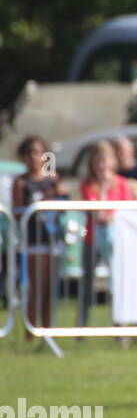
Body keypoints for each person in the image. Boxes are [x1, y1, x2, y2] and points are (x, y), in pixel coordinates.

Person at [11, 135, 67, 338]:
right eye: (30, 153)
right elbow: (17, 213)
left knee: (49, 289)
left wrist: (61, 193)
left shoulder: (52, 181)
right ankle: (31, 331)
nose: (35, 157)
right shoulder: (21, 183)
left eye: (39, 152)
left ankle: (48, 330)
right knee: (35, 288)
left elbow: (63, 208)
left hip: (52, 239)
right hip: (33, 242)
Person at [78, 140, 133, 326]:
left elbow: (128, 211)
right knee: (87, 285)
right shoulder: (87, 185)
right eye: (97, 160)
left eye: (105, 160)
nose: (102, 165)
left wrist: (112, 215)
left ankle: (119, 327)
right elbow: (95, 213)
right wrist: (103, 188)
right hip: (92, 240)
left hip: (115, 240)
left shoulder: (122, 184)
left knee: (116, 285)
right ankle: (81, 328)